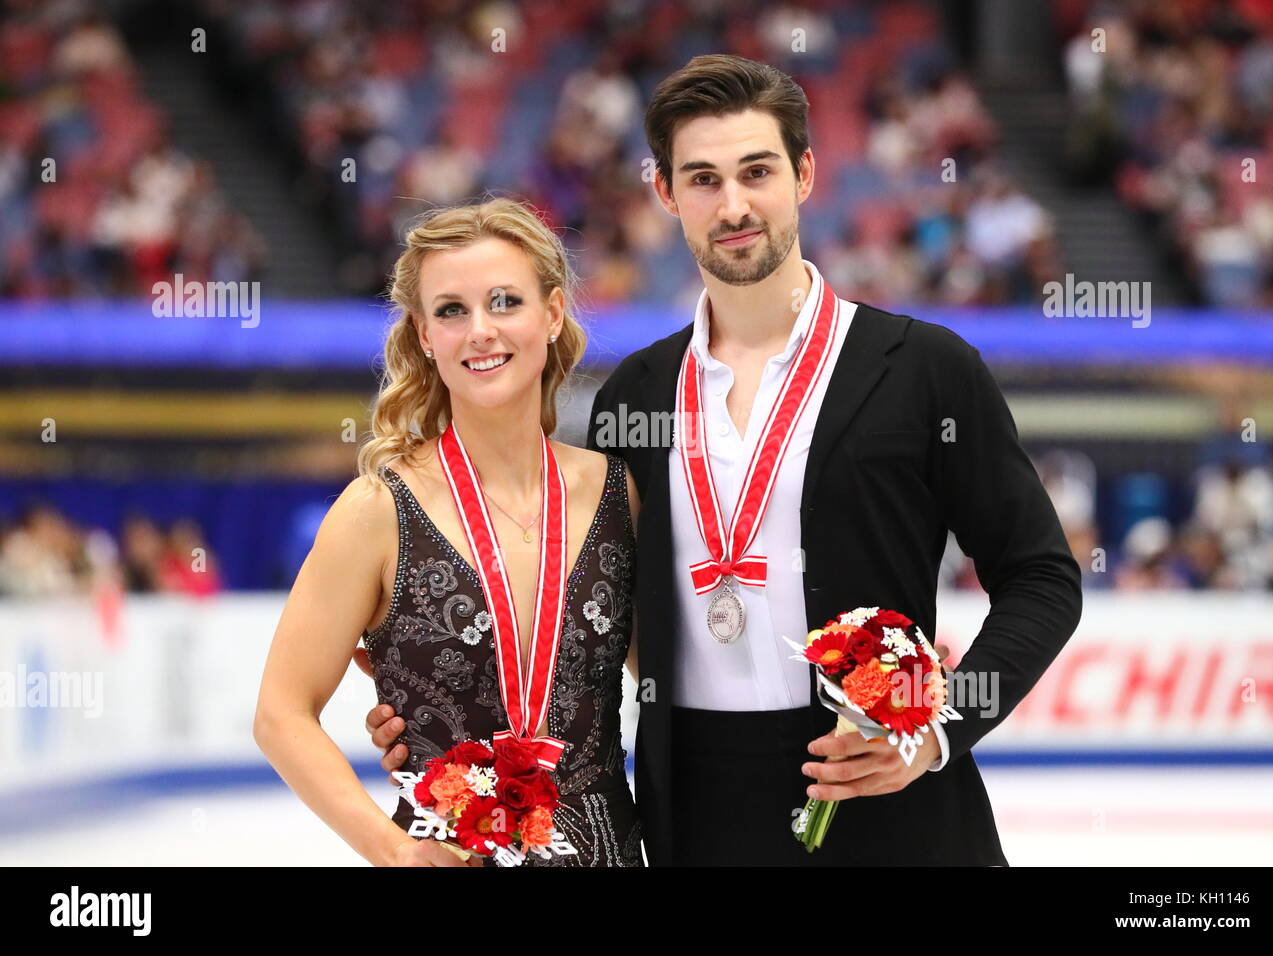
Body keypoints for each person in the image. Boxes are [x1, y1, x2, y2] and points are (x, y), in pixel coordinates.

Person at [369, 54, 1084, 866]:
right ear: (668, 195)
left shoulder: (925, 369)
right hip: (695, 814)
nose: (734, 204)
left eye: (756, 171)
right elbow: (593, 621)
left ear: (805, 173)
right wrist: (442, 711)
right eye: (703, 179)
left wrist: (937, 726)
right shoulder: (633, 396)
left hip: (890, 800)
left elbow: (1042, 577)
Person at [256, 197, 644, 866]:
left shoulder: (618, 491)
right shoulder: (376, 510)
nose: (481, 331)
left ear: (552, 315)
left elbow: (672, 678)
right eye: (452, 311)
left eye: (504, 302)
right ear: (424, 334)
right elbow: (281, 714)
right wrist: (390, 847)